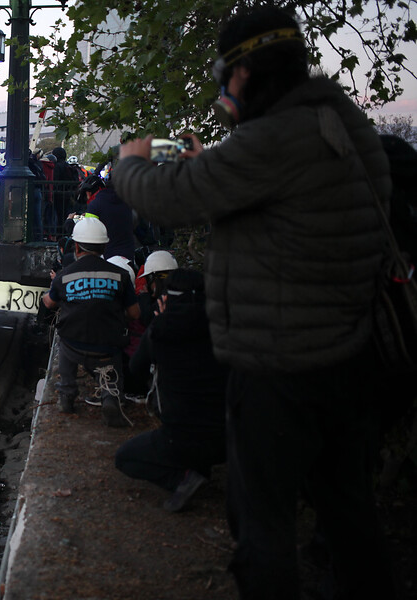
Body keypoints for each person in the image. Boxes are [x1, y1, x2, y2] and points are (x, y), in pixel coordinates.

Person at [111, 7, 392, 598]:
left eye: (224, 74)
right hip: (350, 352)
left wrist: (130, 162)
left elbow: (170, 199)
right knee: (347, 509)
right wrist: (218, 172)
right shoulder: (341, 122)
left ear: (243, 73)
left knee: (261, 522)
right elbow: (298, 214)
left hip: (278, 366)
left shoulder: (273, 137)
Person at [114, 269, 227, 512]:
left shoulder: (160, 330)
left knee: (125, 458)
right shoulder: (224, 328)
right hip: (228, 438)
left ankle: (182, 479)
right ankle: (200, 469)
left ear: (166, 297)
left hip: (180, 437)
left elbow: (136, 368)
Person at [42, 217, 140, 425]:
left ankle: (66, 395)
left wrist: (45, 296)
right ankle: (110, 397)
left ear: (76, 247)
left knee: (64, 343)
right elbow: (134, 313)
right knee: (113, 363)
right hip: (108, 347)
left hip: (74, 344)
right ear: (104, 246)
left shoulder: (64, 275)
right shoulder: (120, 275)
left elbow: (50, 303)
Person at [84, 171, 135, 261]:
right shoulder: (129, 202)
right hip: (127, 256)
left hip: (105, 256)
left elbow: (88, 232)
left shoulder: (95, 205)